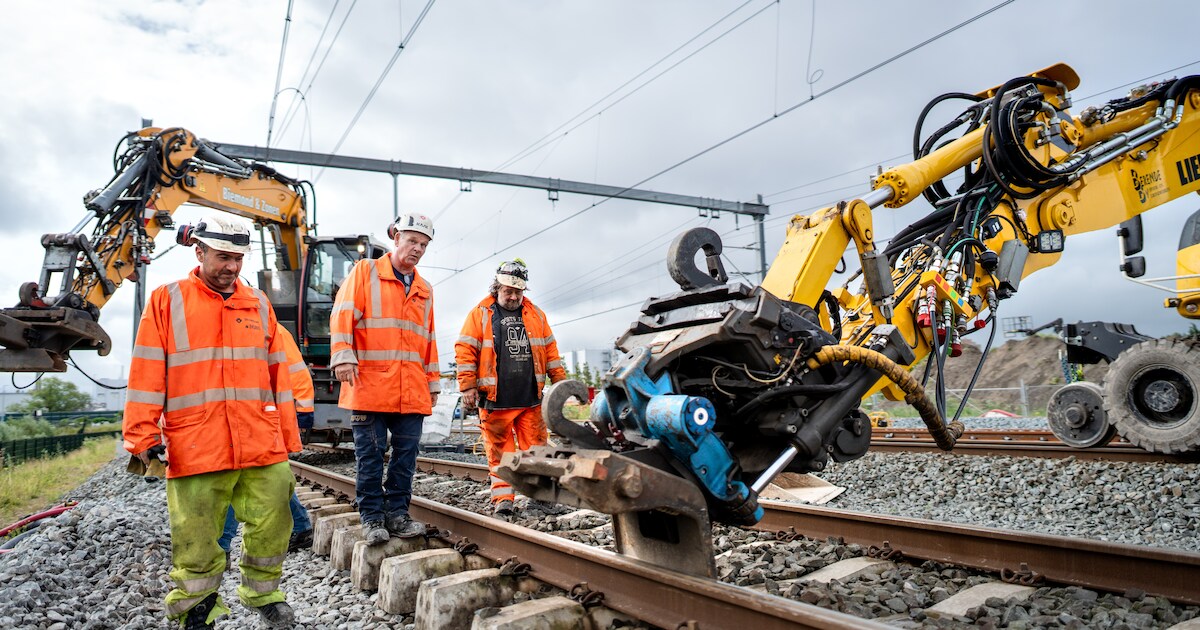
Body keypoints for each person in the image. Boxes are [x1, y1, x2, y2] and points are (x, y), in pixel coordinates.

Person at [123, 215, 301, 629]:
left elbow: (279, 370)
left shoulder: (258, 303)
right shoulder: (168, 300)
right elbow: (147, 371)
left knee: (276, 515)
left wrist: (288, 433)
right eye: (223, 257)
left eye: (238, 258)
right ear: (199, 251)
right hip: (197, 440)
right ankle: (195, 606)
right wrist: (142, 435)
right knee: (197, 531)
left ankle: (264, 594)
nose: (232, 267)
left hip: (259, 437)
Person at [330, 213, 440, 545]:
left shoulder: (424, 289)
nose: (417, 249)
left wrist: (432, 381)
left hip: (411, 388)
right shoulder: (366, 272)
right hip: (371, 384)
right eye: (412, 241)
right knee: (371, 455)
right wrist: (343, 354)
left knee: (406, 456)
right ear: (396, 238)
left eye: (423, 244)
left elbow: (428, 339)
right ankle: (372, 518)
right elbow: (342, 312)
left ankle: (398, 514)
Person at [455, 259, 567, 516]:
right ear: (497, 288)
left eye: (518, 292)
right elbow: (465, 351)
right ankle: (504, 500)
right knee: (499, 454)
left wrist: (560, 382)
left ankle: (540, 498)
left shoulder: (536, 314)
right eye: (508, 291)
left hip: (530, 399)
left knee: (536, 451)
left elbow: (550, 350)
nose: (513, 296)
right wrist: (467, 386)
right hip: (495, 401)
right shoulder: (480, 313)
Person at [219, 323, 315, 562]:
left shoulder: (271, 329)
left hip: (262, 416)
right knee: (264, 476)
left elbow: (296, 371)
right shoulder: (215, 322)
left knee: (237, 476)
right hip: (237, 415)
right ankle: (301, 525)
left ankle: (221, 545)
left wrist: (304, 410)